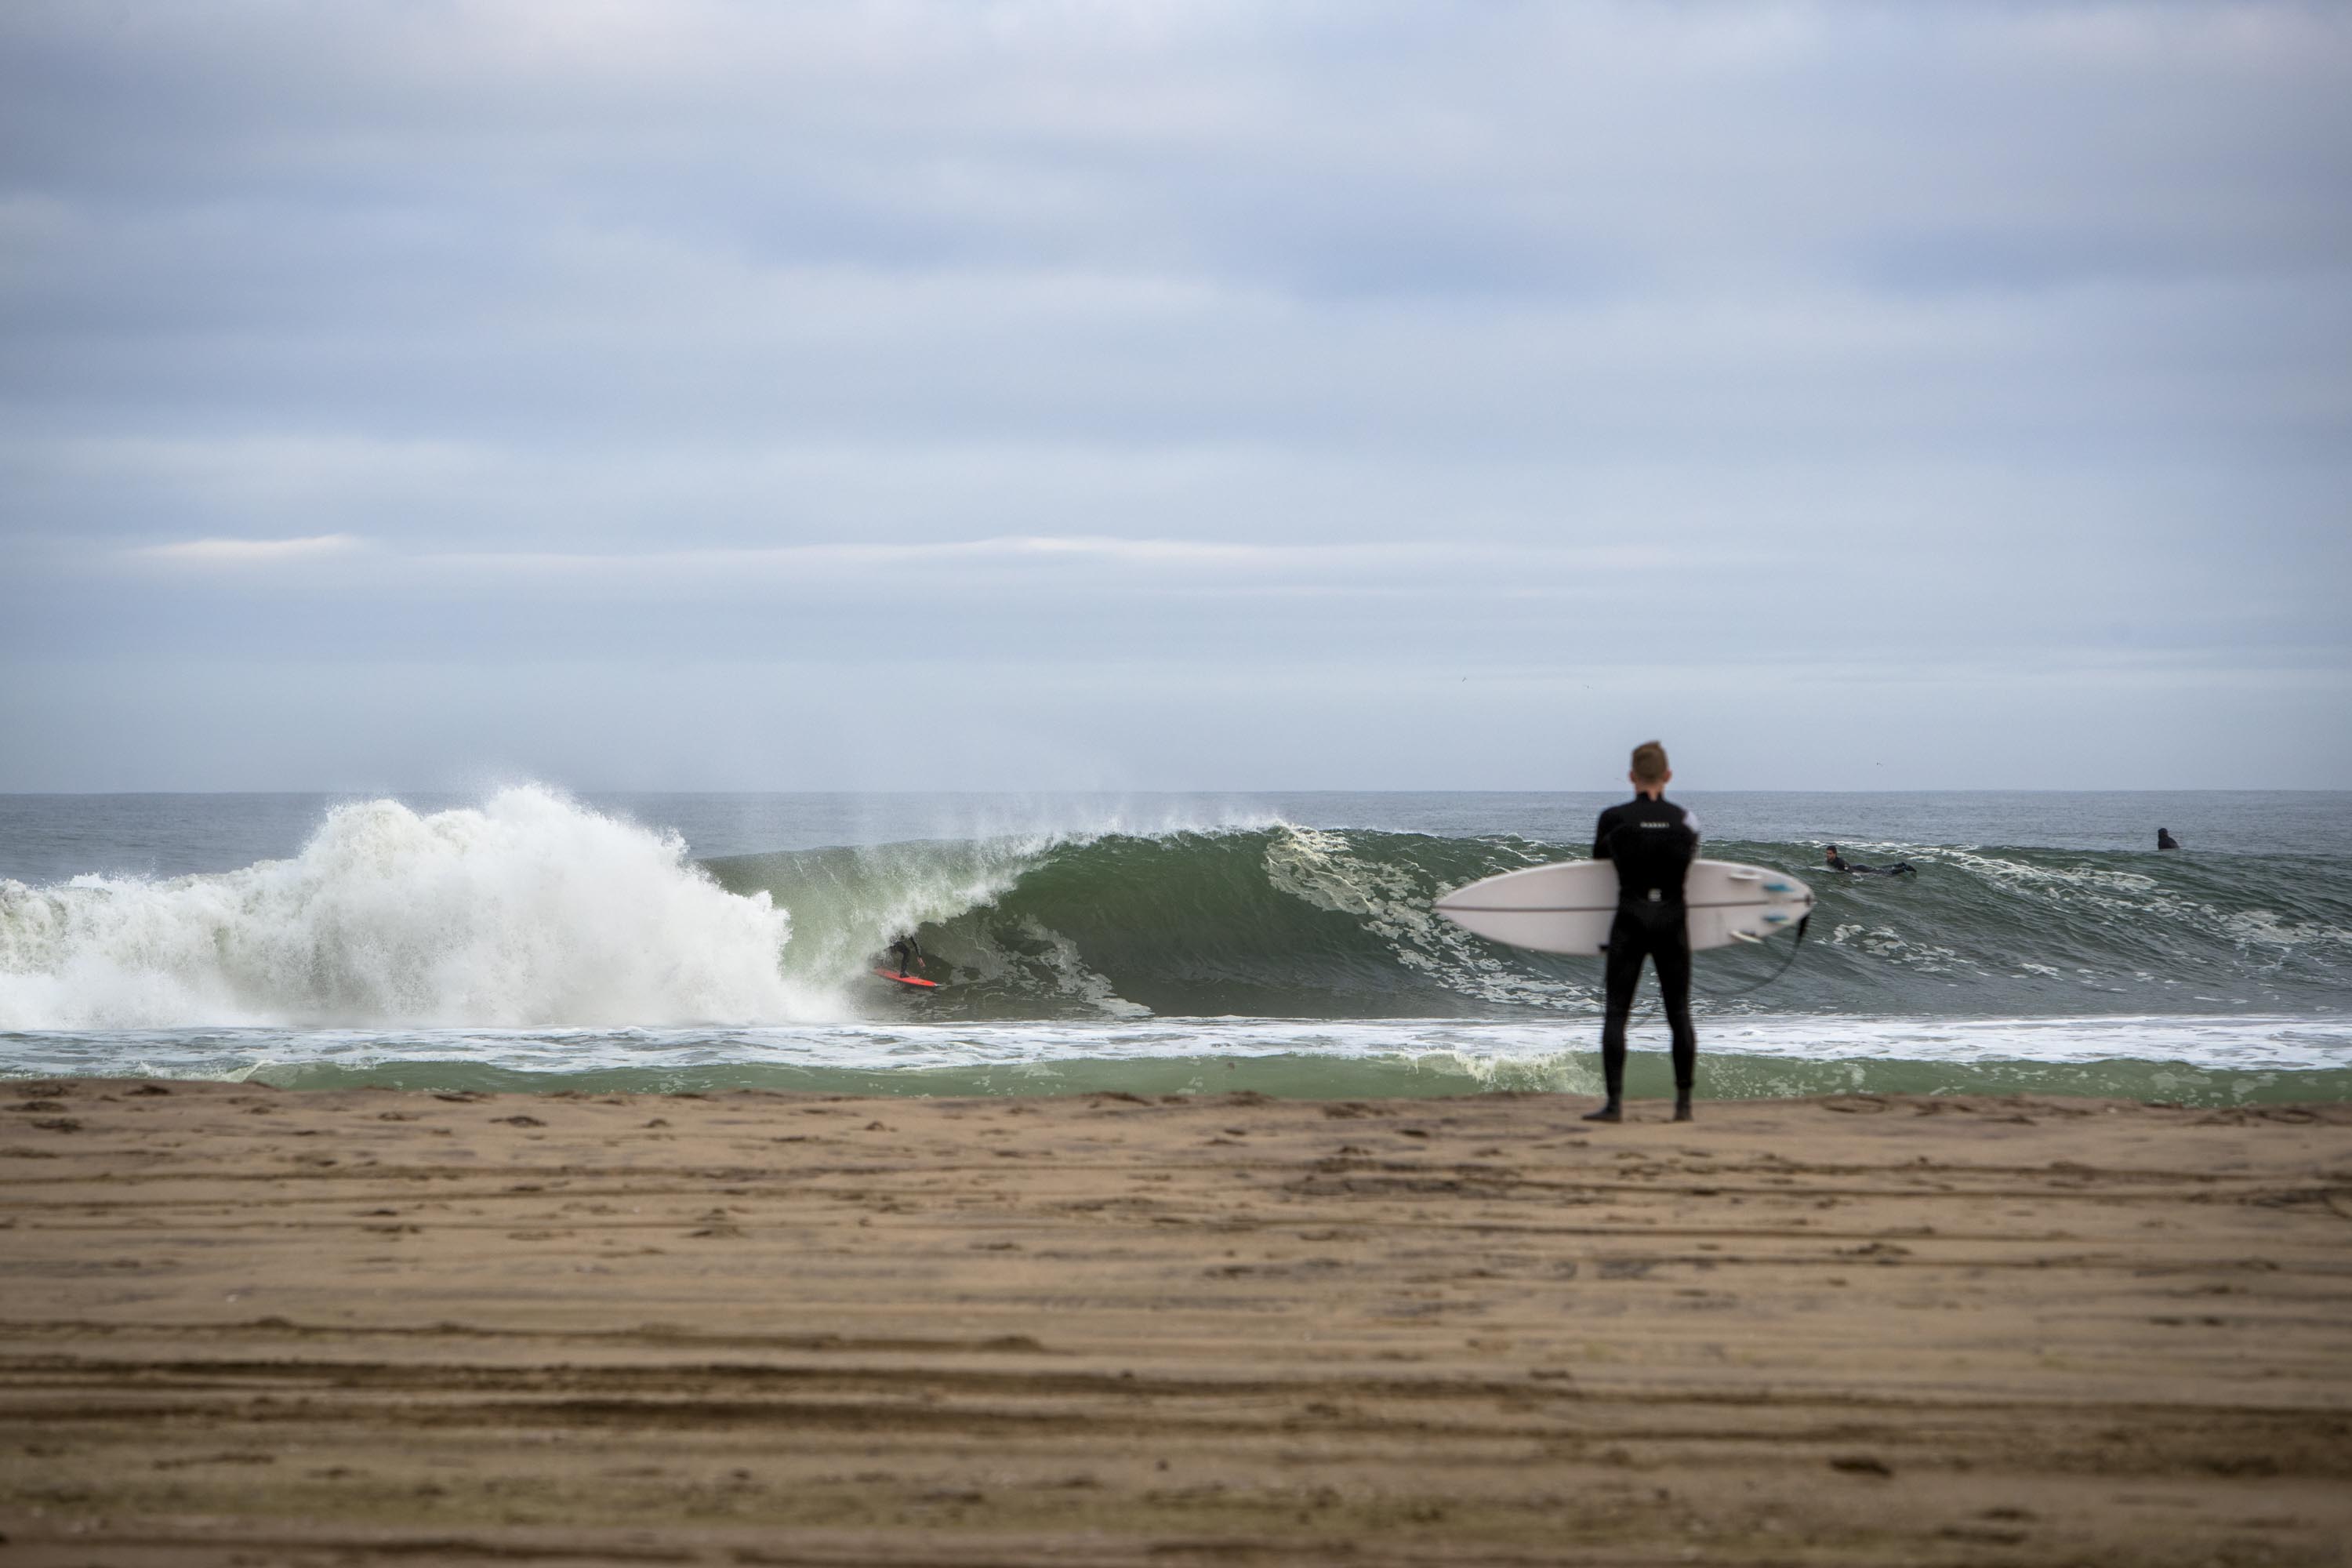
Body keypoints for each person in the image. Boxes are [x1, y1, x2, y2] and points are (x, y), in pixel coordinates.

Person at [1586, 741, 1700, 1125]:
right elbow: (1692, 855)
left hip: (1630, 920)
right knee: (1679, 1013)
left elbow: (1599, 860)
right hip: (1672, 921)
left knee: (1617, 1013)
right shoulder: (1685, 819)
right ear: (1667, 776)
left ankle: (1615, 1106)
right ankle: (1683, 1106)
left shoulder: (1613, 818)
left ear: (1632, 776)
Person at [1824, 844, 1917, 877]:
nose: (1828, 855)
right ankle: (1899, 864)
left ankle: (1905, 868)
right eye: (1827, 853)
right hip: (1859, 867)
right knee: (1879, 869)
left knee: (1884, 873)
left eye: (1830, 854)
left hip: (1861, 869)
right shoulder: (1829, 861)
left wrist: (1858, 876)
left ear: (1835, 853)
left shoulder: (1840, 861)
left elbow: (1850, 870)